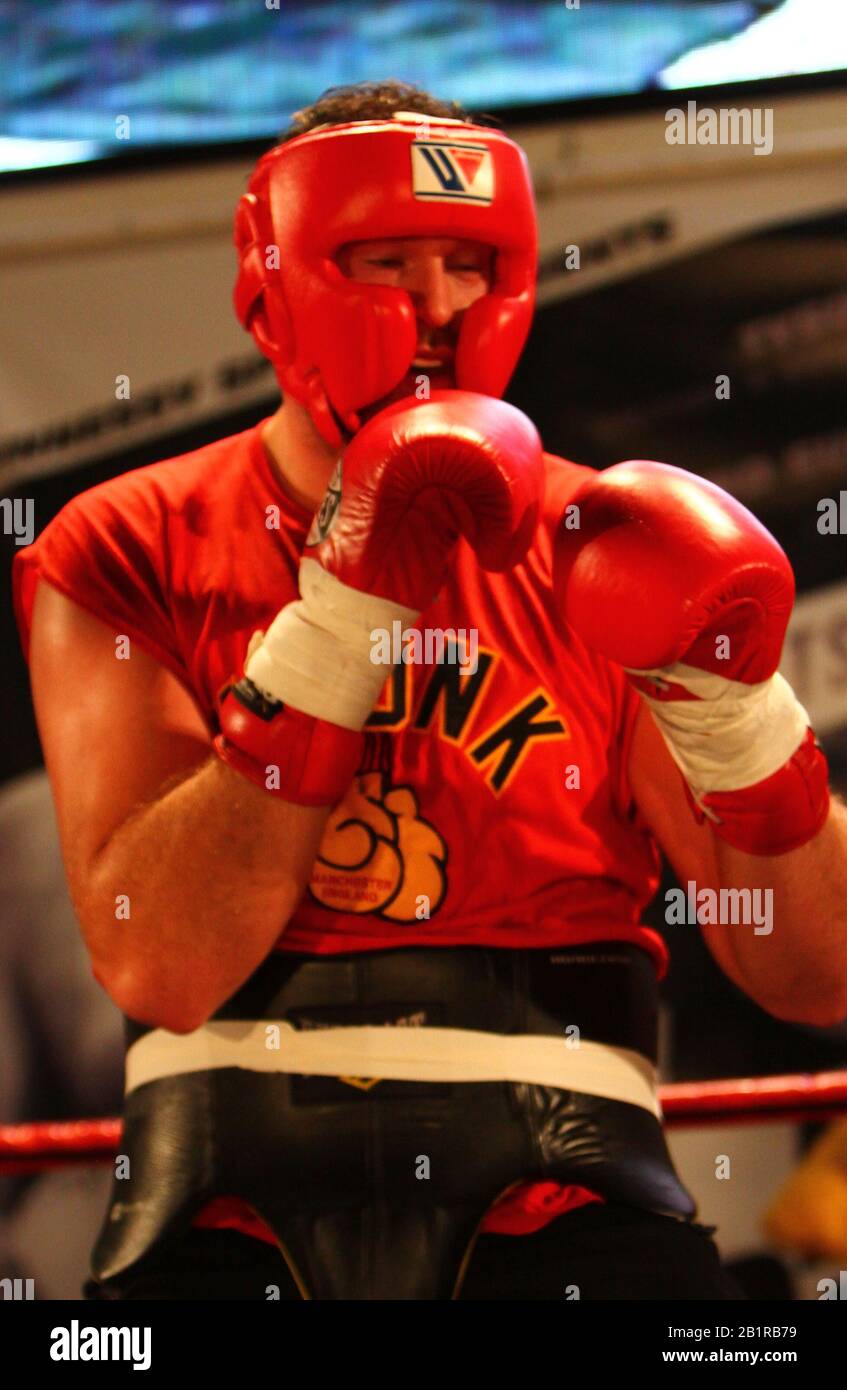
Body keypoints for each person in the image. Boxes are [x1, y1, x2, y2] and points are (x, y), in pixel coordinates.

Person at [13, 79, 847, 1301]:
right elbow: (162, 968)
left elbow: (814, 974)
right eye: (385, 263)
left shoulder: (601, 545)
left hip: (570, 1187)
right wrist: (339, 621)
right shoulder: (126, 541)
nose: (437, 310)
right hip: (217, 1193)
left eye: (471, 264)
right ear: (268, 290)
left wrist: (743, 721)